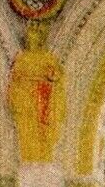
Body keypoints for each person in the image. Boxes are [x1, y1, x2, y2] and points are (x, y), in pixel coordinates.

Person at [7, 21, 65, 163]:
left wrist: (48, 79)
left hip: (42, 102)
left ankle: (42, 155)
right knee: (27, 135)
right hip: (25, 103)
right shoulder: (21, 58)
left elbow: (57, 78)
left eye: (34, 34)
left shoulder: (48, 58)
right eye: (29, 34)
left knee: (42, 137)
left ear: (40, 38)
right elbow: (14, 81)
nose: (30, 38)